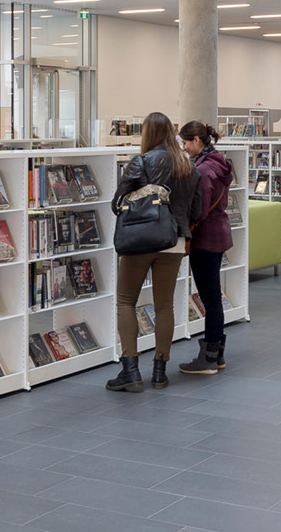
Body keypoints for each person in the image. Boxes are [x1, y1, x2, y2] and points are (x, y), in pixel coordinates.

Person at [106, 112, 198, 393]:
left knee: (126, 301)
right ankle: (160, 372)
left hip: (140, 240)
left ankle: (130, 371)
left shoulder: (141, 162)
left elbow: (117, 203)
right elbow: (196, 209)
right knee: (165, 305)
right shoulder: (188, 164)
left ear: (147, 133)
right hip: (174, 241)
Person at [178, 122, 234, 375]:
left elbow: (199, 210)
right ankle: (217, 355)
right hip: (218, 233)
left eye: (186, 142)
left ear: (197, 140)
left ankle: (209, 358)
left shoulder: (203, 169)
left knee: (210, 298)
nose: (184, 148)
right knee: (213, 297)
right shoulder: (219, 163)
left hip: (205, 238)